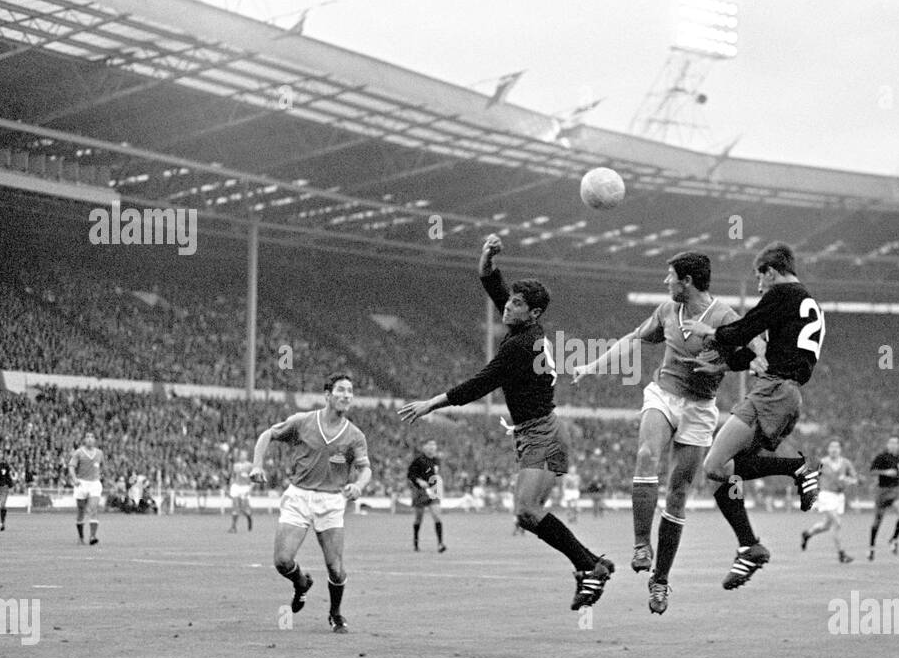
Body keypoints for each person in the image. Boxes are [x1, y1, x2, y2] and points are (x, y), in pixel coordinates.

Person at [398, 234, 615, 611]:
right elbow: (490, 281)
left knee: (527, 511)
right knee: (529, 514)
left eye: (516, 304)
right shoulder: (523, 327)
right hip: (542, 431)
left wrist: (430, 404)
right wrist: (486, 255)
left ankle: (589, 566)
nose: (508, 307)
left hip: (543, 435)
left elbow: (479, 384)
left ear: (532, 314)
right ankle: (592, 564)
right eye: (510, 301)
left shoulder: (518, 346)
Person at [572, 251, 750, 615]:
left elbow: (746, 356)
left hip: (700, 408)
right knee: (645, 455)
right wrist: (592, 365)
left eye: (669, 276)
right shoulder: (667, 312)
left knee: (678, 495)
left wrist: (718, 361)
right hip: (663, 395)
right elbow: (633, 339)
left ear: (686, 281)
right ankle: (641, 544)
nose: (665, 282)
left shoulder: (724, 317)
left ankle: (661, 580)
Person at [682, 243, 823, 591]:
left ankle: (797, 469)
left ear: (770, 272)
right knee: (723, 477)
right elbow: (761, 353)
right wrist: (723, 362)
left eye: (760, 279)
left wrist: (710, 334)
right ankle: (749, 547)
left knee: (713, 465)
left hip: (773, 392)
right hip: (786, 394)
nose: (759, 288)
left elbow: (745, 328)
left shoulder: (784, 293)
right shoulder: (807, 303)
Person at [251, 373, 371, 633]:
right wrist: (257, 465)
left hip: (331, 501)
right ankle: (301, 583)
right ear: (327, 395)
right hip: (299, 496)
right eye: (341, 390)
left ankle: (335, 613)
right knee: (282, 561)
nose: (346, 395)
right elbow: (267, 435)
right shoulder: (303, 421)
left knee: (336, 569)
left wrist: (358, 486)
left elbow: (365, 470)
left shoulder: (354, 435)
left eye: (350, 391)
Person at [801, 438, 858, 563]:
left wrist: (847, 480)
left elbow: (854, 479)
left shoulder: (846, 463)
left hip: (839, 497)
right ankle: (841, 554)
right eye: (831, 447)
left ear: (840, 450)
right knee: (837, 523)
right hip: (826, 495)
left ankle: (807, 534)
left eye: (836, 447)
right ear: (828, 450)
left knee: (826, 526)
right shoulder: (823, 462)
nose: (834, 449)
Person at [868, 435, 899, 561]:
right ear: (887, 445)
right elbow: (872, 471)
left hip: (896, 490)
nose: (893, 445)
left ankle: (894, 539)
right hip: (883, 492)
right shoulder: (881, 457)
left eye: (896, 443)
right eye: (891, 442)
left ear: (898, 445)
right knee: (877, 522)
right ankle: (871, 548)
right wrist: (885, 472)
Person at [407, 439, 446, 552]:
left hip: (433, 492)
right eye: (430, 445)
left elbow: (435, 474)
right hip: (420, 492)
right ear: (424, 447)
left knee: (437, 515)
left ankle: (440, 544)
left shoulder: (437, 460)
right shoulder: (418, 460)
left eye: (434, 444)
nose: (432, 447)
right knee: (419, 518)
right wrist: (419, 481)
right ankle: (416, 541)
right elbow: (410, 474)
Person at [67, 432, 104, 546]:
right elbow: (71, 467)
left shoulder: (99, 453)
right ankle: (81, 537)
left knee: (93, 508)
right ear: (84, 440)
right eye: (87, 437)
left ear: (95, 440)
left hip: (94, 483)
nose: (89, 439)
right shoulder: (78, 452)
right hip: (81, 483)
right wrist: (74, 478)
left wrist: (99, 476)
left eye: (92, 437)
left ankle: (93, 536)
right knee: (81, 511)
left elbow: (101, 466)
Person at [228, 448, 254, 533]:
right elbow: (233, 477)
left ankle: (248, 516)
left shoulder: (250, 465)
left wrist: (251, 488)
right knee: (235, 506)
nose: (242, 456)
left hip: (245, 488)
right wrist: (230, 487)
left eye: (244, 455)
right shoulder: (236, 465)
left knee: (243, 508)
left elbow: (254, 478)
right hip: (236, 487)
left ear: (246, 456)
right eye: (241, 455)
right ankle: (233, 527)